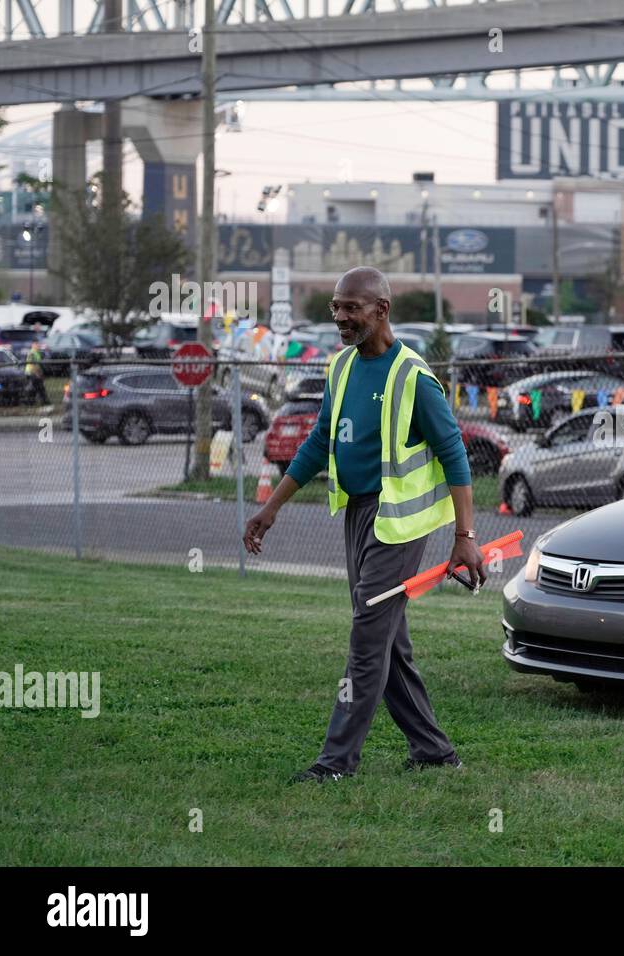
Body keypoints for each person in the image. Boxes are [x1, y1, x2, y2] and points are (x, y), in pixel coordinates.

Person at [242, 266, 485, 783]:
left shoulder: (413, 377)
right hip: (358, 516)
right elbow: (316, 445)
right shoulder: (341, 368)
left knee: (366, 639)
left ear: (382, 310)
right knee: (386, 640)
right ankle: (433, 752)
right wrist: (272, 507)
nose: (341, 317)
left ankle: (336, 763)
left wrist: (465, 537)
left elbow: (455, 455)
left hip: (400, 524)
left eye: (351, 308)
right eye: (336, 307)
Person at [24, 339, 47, 406]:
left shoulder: (37, 353)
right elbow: (32, 365)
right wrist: (37, 374)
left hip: (35, 373)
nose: (38, 345)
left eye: (38, 344)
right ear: (33, 345)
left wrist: (40, 373)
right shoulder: (32, 353)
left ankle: (31, 402)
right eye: (36, 344)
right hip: (31, 373)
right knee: (37, 388)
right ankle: (42, 402)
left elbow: (38, 365)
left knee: (35, 388)